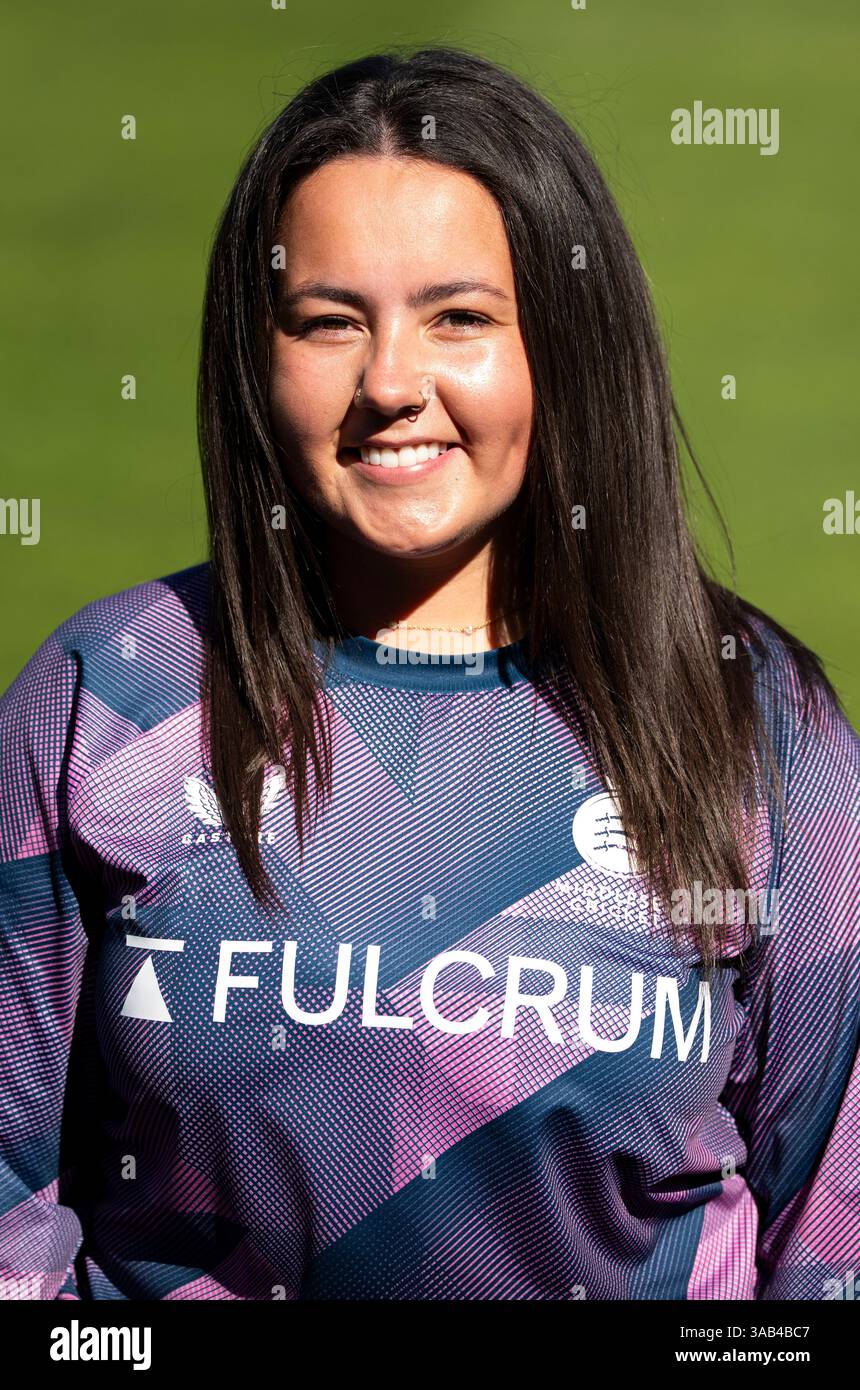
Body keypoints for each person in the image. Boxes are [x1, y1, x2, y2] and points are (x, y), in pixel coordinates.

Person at [0, 46, 857, 1302]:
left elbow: (827, 1242)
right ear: (258, 356)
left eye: (459, 317)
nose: (390, 385)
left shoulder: (748, 719)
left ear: (560, 344)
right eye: (328, 321)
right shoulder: (113, 695)